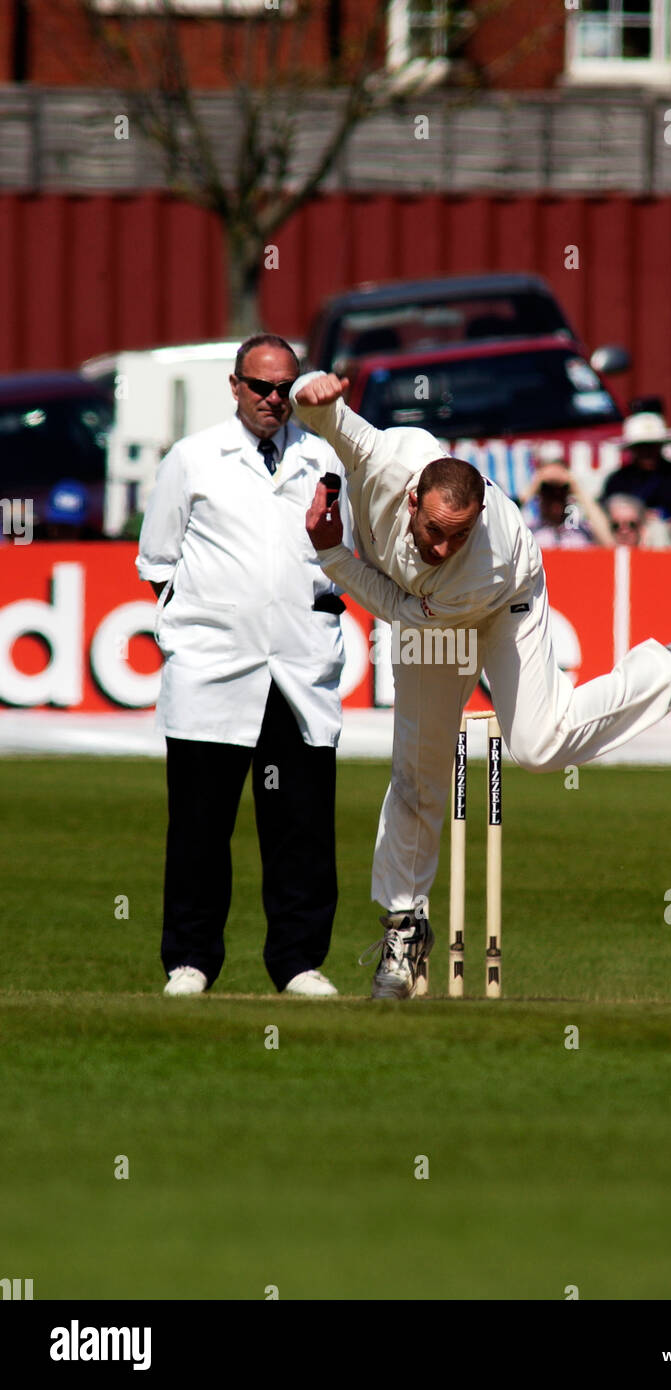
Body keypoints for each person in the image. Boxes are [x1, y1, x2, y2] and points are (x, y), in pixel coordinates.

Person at [292, 371, 671, 1002]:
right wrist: (312, 391)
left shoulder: (480, 564)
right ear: (409, 501)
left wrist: (336, 558)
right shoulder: (381, 456)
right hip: (424, 606)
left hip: (502, 602)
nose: (442, 544)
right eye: (433, 530)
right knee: (419, 774)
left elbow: (402, 608)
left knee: (538, 747)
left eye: (457, 534)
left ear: (479, 517)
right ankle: (404, 932)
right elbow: (322, 413)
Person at [137, 334, 348, 999]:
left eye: (284, 387)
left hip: (297, 666)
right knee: (200, 825)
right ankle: (190, 961)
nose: (273, 400)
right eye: (260, 387)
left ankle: (298, 963)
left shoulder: (321, 458)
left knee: (301, 827)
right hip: (211, 667)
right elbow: (157, 560)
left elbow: (348, 553)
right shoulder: (193, 459)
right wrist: (191, 628)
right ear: (234, 386)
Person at [601, 408, 671, 529]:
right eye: (641, 447)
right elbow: (605, 523)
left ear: (661, 445)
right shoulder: (618, 481)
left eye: (652, 446)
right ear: (632, 448)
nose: (647, 452)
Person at [521, 442, 614, 548]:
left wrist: (576, 488)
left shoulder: (582, 530)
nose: (555, 495)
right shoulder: (528, 531)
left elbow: (609, 543)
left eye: (562, 489)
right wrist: (534, 485)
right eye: (548, 490)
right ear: (539, 493)